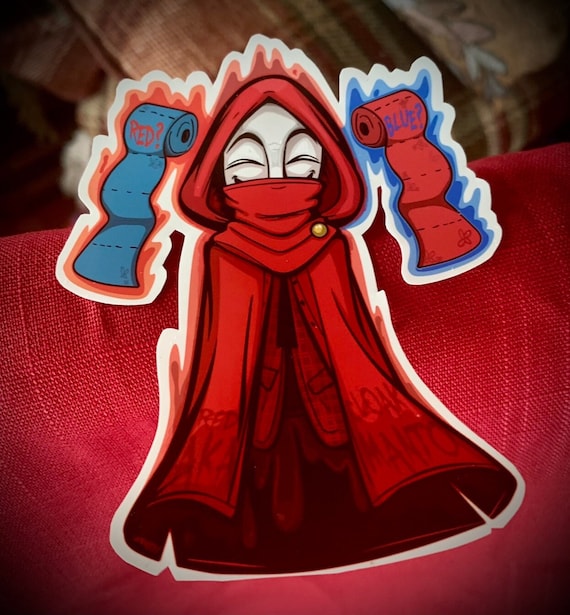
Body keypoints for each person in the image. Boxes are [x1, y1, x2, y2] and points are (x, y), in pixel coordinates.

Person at [121, 64, 519, 575]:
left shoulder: (331, 244)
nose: (276, 174)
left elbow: (358, 342)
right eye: (248, 160)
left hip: (340, 412)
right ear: (221, 175)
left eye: (300, 157)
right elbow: (219, 359)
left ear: (324, 167)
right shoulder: (222, 253)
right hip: (254, 425)